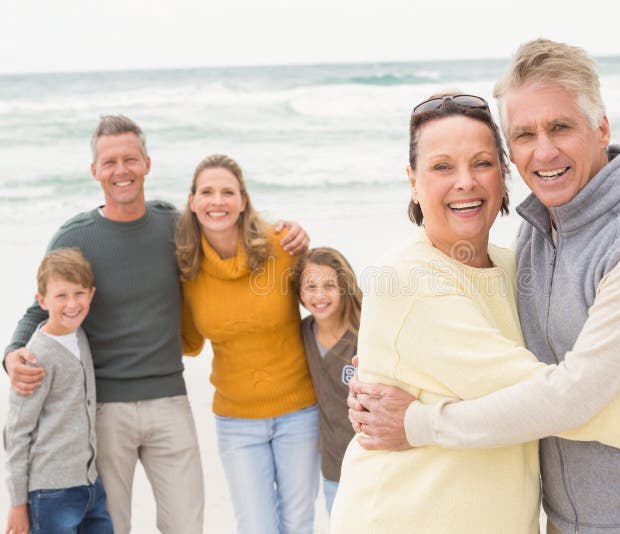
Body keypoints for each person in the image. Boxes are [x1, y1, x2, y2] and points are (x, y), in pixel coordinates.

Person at [349, 40, 620, 534]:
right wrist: (373, 370)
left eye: (560, 127)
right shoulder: (536, 238)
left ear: (602, 128)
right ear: (413, 180)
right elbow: (543, 388)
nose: (544, 150)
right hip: (447, 517)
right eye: (524, 134)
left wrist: (416, 421)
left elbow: (564, 395)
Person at [3, 115, 309, 534]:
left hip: (170, 401)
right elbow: (39, 308)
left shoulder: (175, 226)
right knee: (113, 526)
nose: (121, 170)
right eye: (110, 162)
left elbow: (226, 227)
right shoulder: (75, 238)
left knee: (186, 525)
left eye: (131, 159)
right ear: (94, 171)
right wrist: (11, 354)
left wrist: (287, 231)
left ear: (147, 163)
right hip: (104, 410)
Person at [177, 154, 318, 534]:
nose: (217, 201)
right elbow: (189, 342)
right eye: (207, 192)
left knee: (298, 523)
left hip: (299, 411)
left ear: (243, 200)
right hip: (236, 420)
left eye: (228, 192)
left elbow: (323, 301)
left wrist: (307, 246)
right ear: (192, 201)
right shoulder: (187, 268)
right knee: (255, 526)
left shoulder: (282, 246)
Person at [4, 248, 112, 534]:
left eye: (79, 294)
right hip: (51, 494)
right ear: (42, 300)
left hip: (90, 486)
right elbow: (16, 432)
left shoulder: (80, 336)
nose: (72, 304)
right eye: (61, 295)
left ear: (91, 295)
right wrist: (17, 503)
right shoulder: (35, 357)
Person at [295, 247, 362, 515]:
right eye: (310, 286)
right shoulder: (303, 333)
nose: (319, 295)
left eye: (329, 286)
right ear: (299, 292)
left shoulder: (364, 334)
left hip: (372, 465)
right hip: (334, 470)